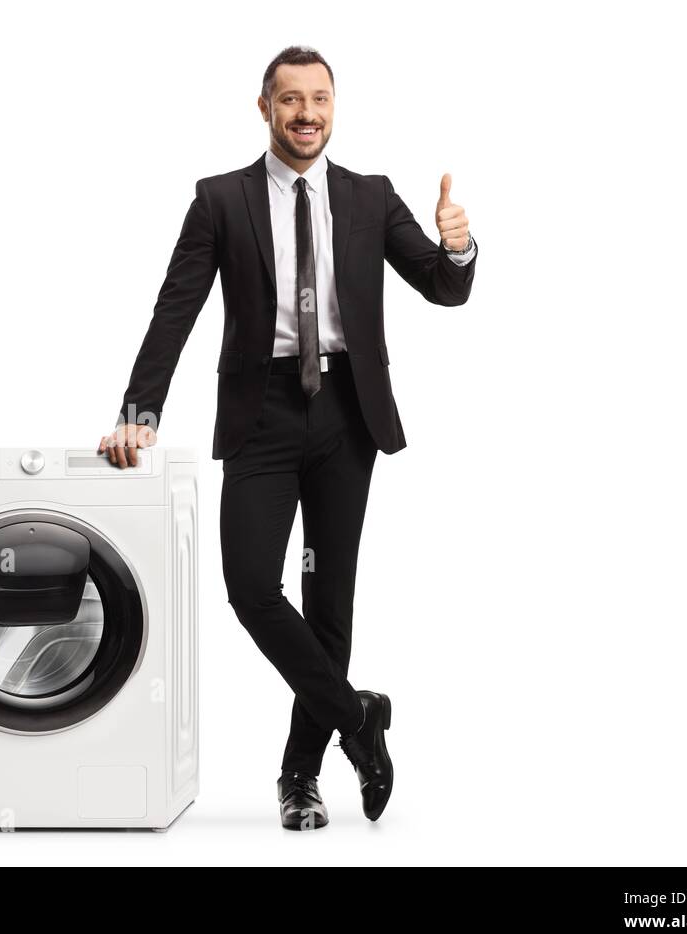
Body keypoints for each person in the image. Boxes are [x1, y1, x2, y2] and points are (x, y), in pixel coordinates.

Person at [97, 45, 478, 829]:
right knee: (251, 587)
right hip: (261, 412)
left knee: (328, 602)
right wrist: (140, 412)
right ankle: (359, 717)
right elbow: (175, 309)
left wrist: (458, 246)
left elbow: (444, 288)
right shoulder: (221, 200)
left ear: (334, 106)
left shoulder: (371, 196)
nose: (307, 113)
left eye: (320, 98)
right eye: (291, 99)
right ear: (265, 107)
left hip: (348, 413)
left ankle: (300, 777)